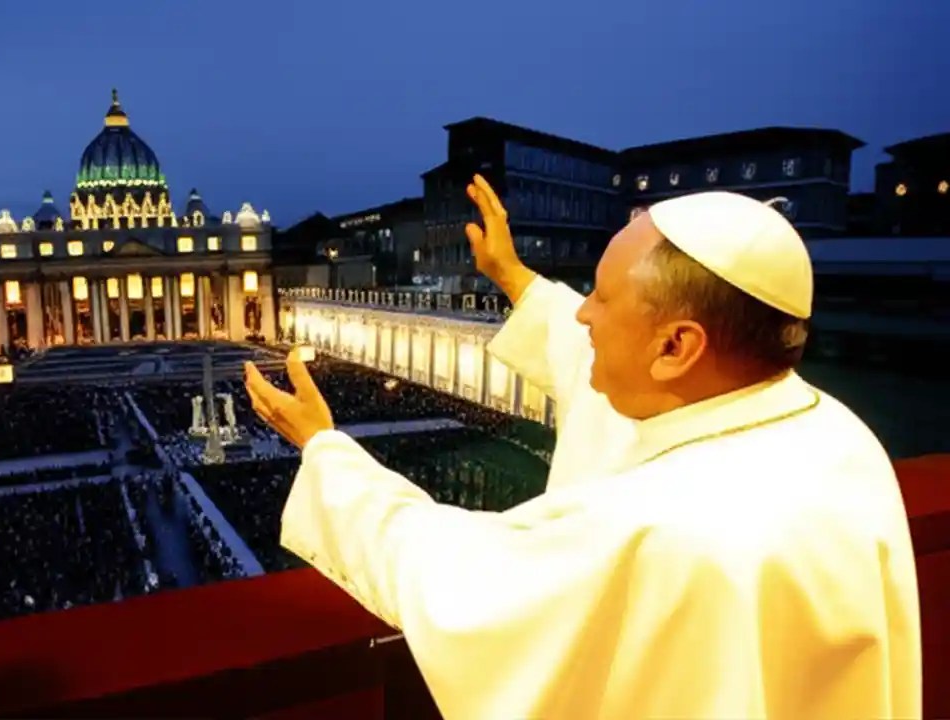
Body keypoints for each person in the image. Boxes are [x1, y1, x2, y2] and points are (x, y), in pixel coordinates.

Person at [244, 175, 921, 720]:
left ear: (676, 344)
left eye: (599, 296)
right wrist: (510, 275)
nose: (581, 313)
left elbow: (448, 573)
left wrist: (325, 448)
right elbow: (594, 369)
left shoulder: (653, 528)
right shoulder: (836, 435)